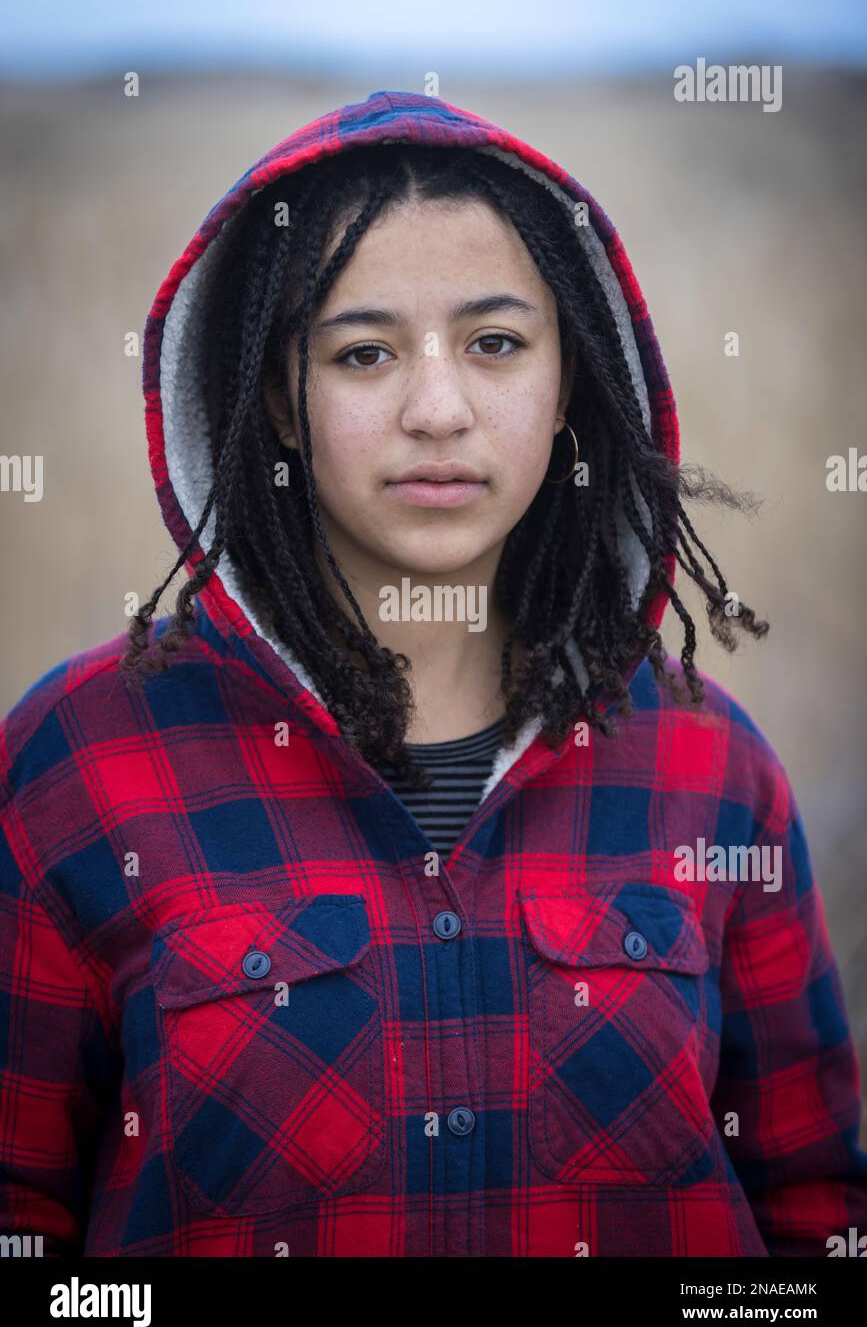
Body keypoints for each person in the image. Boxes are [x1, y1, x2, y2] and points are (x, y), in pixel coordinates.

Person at [1, 88, 865, 1258]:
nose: (439, 408)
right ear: (278, 403)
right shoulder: (78, 762)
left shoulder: (712, 768)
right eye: (364, 353)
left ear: (569, 382)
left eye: (496, 343)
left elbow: (815, 1208)